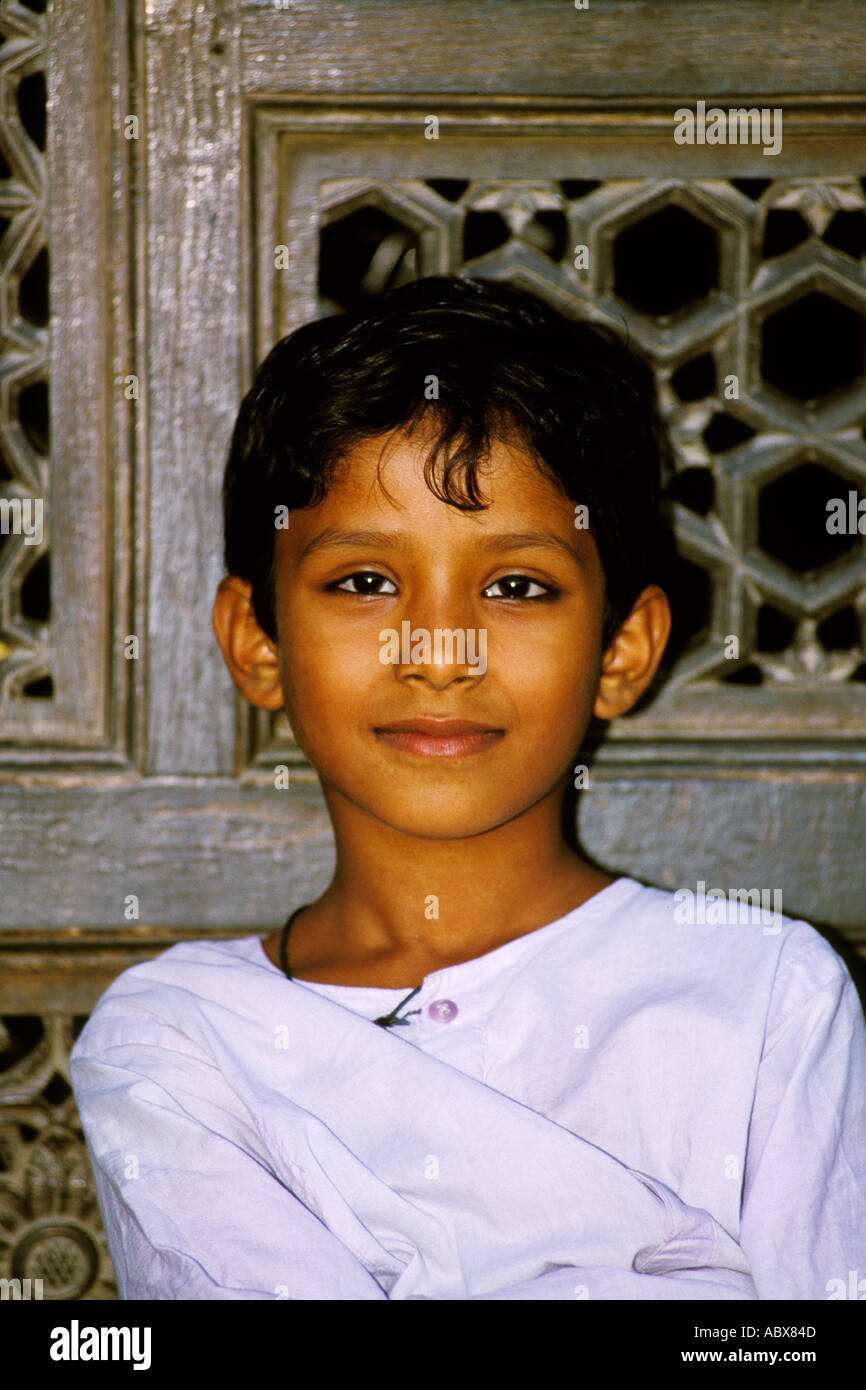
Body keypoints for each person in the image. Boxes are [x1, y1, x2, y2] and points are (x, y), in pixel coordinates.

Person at [70, 275, 866, 1300]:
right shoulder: (178, 1037)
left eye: (514, 586)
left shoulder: (762, 997)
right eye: (363, 581)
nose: (438, 649)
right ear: (256, 641)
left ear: (623, 649)